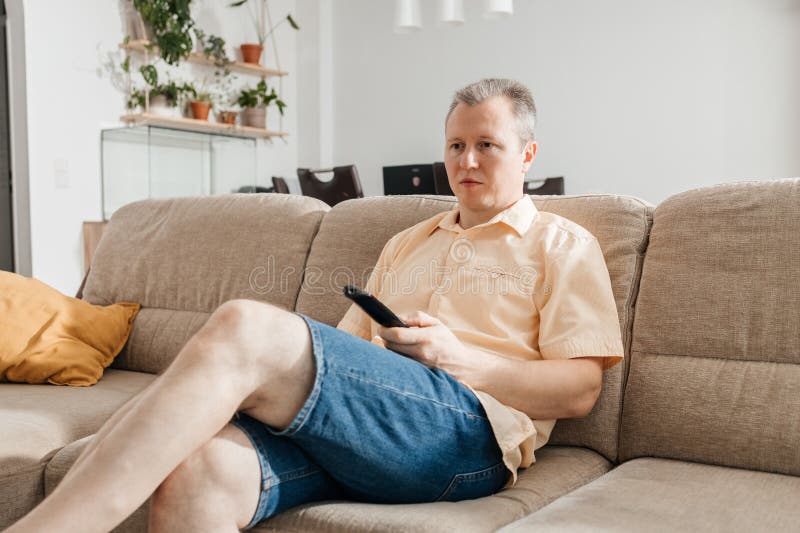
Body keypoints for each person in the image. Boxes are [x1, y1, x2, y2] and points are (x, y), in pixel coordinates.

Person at [8, 79, 623, 533]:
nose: (466, 161)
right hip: (366, 424)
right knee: (201, 468)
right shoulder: (407, 243)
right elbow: (346, 354)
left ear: (527, 154)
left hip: (468, 436)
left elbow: (581, 391)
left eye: (487, 144)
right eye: (456, 144)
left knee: (246, 325)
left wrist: (460, 360)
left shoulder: (562, 245)